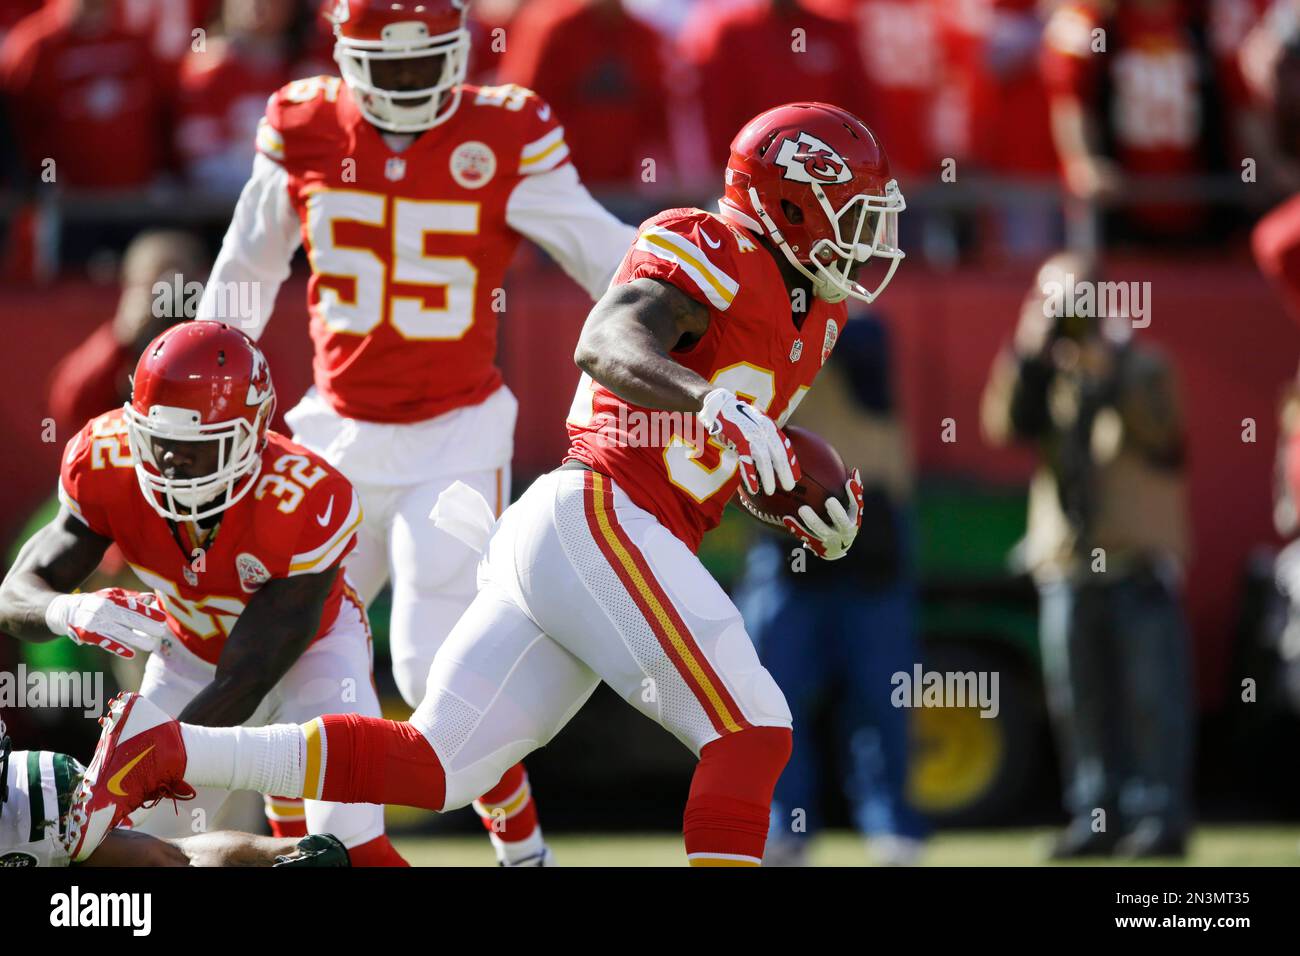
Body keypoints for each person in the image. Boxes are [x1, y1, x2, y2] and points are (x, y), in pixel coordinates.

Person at [68, 101, 906, 867]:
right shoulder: (713, 245)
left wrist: (781, 486)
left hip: (593, 539)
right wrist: (713, 403)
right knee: (752, 731)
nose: (868, 239)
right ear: (789, 206)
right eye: (854, 216)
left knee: (437, 767)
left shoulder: (818, 310)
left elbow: (715, 447)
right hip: (601, 512)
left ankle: (165, 747)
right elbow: (607, 341)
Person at [194, 0, 637, 865]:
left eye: (421, 63)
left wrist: (685, 293)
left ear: (459, 50)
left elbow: (602, 254)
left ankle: (524, 852)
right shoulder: (306, 120)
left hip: (455, 434)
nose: (403, 83)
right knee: (288, 666)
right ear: (346, 53)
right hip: (332, 442)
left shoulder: (504, 129)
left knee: (435, 676)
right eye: (384, 65)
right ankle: (302, 859)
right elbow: (244, 272)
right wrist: (206, 379)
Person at [0, 321, 407, 866]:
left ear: (251, 436)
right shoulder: (105, 460)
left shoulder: (306, 497)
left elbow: (251, 675)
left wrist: (152, 753)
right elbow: (13, 595)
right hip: (188, 653)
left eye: (197, 446)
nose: (171, 461)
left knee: (349, 841)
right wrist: (66, 607)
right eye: (159, 440)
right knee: (130, 850)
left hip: (312, 656)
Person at [981, 252, 1194, 859]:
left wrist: (1114, 373)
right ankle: (1096, 817)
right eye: (1054, 301)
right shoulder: (1048, 372)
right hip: (1068, 565)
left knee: (1152, 699)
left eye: (1076, 300)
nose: (1067, 315)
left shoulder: (1145, 364)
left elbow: (1165, 439)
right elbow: (1003, 427)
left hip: (1135, 559)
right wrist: (1028, 352)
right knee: (1079, 703)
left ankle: (1159, 818)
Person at [734, 315, 927, 866]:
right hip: (785, 539)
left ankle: (894, 829)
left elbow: (862, 354)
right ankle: (782, 826)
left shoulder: (857, 331)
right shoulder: (756, 339)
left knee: (880, 694)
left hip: (870, 530)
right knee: (771, 695)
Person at [0, 716, 348, 867]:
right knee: (166, 855)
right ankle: (299, 853)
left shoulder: (33, 795)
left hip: (23, 803)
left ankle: (293, 854)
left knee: (161, 858)